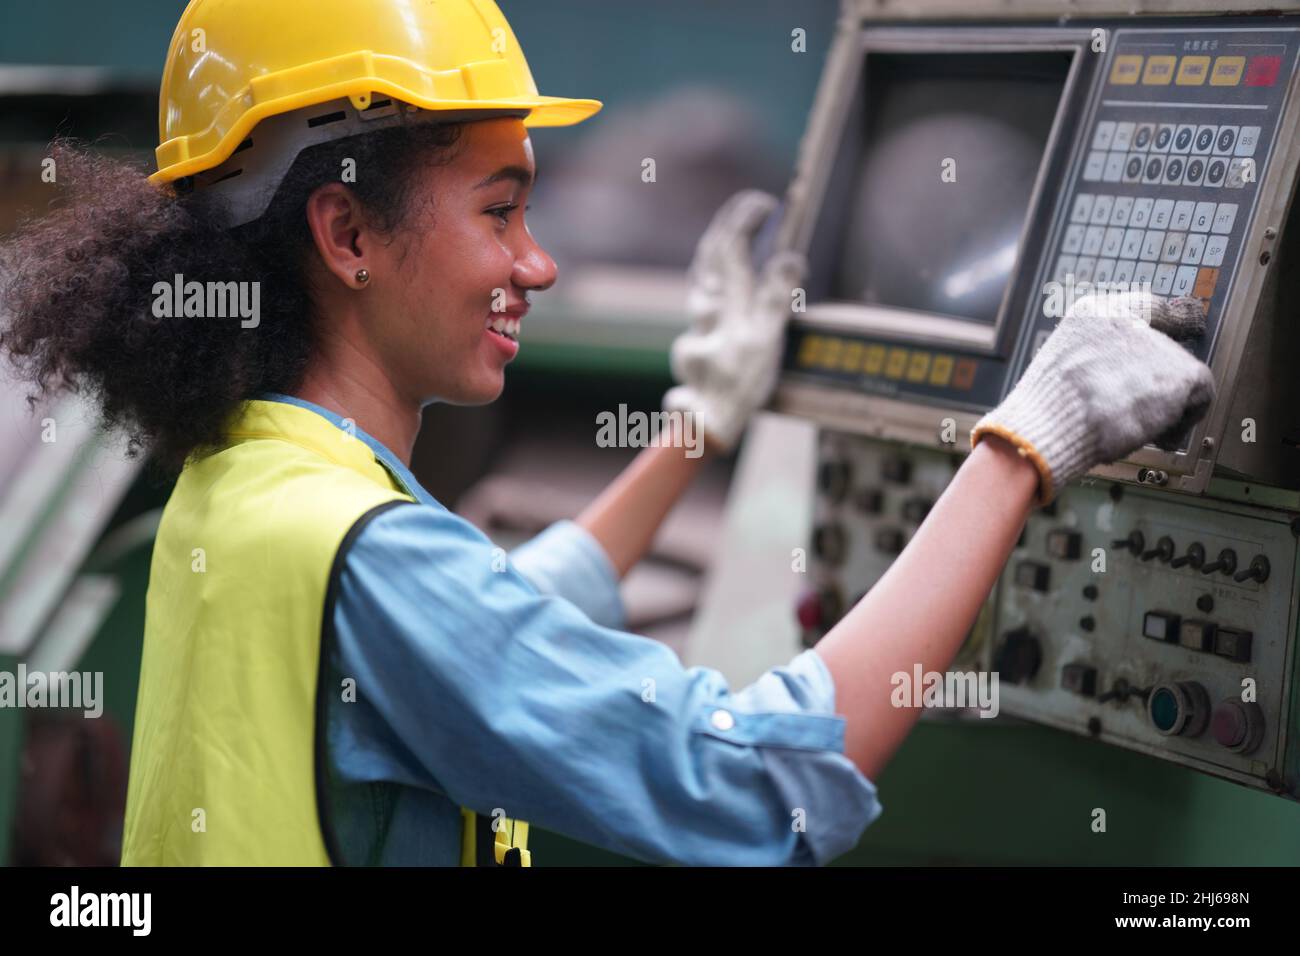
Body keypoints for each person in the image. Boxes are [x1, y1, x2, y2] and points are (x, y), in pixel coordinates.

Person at [0, 0, 1214, 866]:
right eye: (502, 209)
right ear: (347, 235)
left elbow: (493, 622)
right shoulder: (367, 552)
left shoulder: (245, 484)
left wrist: (695, 423)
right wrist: (1024, 445)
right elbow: (753, 788)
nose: (540, 258)